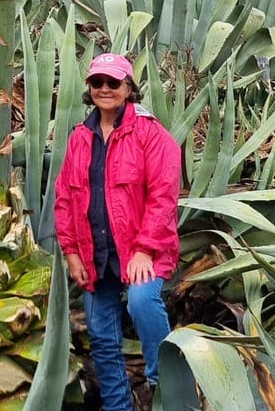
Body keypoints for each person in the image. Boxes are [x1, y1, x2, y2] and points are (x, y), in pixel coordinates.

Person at [54, 53, 180, 410]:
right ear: (89, 88)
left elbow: (164, 194)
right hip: (96, 253)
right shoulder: (80, 137)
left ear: (129, 88)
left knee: (142, 302)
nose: (105, 89)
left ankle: (165, 385)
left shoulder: (150, 133)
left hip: (144, 249)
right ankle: (116, 406)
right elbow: (65, 197)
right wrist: (71, 252)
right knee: (102, 337)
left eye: (113, 83)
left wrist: (144, 248)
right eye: (97, 83)